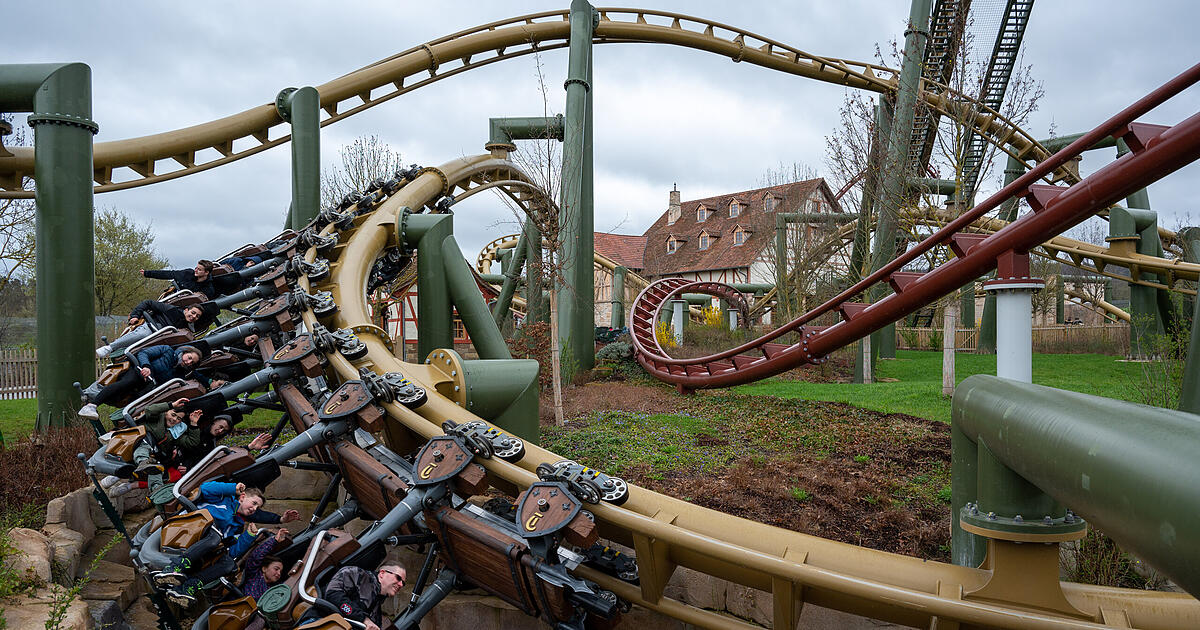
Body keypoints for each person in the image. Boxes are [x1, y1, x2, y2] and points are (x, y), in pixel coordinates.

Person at [153, 482, 299, 606]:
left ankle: (186, 587)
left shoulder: (236, 526)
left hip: (206, 545)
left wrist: (248, 536)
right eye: (254, 503)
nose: (254, 509)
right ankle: (174, 567)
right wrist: (231, 488)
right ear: (242, 497)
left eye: (257, 508)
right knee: (215, 537)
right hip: (189, 528)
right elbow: (206, 488)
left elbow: (232, 551)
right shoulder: (223, 499)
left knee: (229, 564)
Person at [79, 345, 212, 422]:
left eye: (192, 363)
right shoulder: (167, 351)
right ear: (185, 352)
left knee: (137, 404)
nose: (188, 362)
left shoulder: (180, 374)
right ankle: (92, 405)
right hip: (139, 372)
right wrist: (146, 366)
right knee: (126, 383)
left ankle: (119, 426)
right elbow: (144, 353)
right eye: (189, 358)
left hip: (149, 385)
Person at [99, 397, 202, 495]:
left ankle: (157, 489)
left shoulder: (176, 432)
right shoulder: (157, 418)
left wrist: (193, 424)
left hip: (155, 455)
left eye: (179, 419)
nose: (174, 419)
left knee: (155, 468)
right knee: (144, 449)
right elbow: (150, 410)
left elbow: (192, 442)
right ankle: (140, 463)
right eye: (173, 415)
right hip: (142, 442)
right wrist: (171, 404)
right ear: (167, 412)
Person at [97, 301, 217, 358]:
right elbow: (148, 303)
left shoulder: (187, 329)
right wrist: (135, 315)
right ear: (186, 310)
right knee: (143, 334)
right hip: (152, 329)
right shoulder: (171, 310)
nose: (194, 316)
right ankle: (110, 347)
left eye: (197, 316)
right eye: (193, 313)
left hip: (162, 341)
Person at [309, 564, 406, 630]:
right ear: (382, 573)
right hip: (319, 622)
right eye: (398, 578)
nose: (401, 584)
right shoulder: (356, 574)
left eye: (403, 583)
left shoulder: (376, 609)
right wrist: (363, 619)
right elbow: (332, 594)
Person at [240, 527, 290, 601]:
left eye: (281, 571)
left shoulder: (274, 589)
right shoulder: (254, 575)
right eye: (276, 569)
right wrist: (274, 541)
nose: (279, 573)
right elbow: (256, 556)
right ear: (264, 568)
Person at [143, 260, 218, 299]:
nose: (195, 270)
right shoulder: (187, 273)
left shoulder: (208, 289)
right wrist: (147, 273)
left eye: (199, 269)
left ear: (206, 272)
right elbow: (169, 274)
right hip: (173, 296)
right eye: (196, 268)